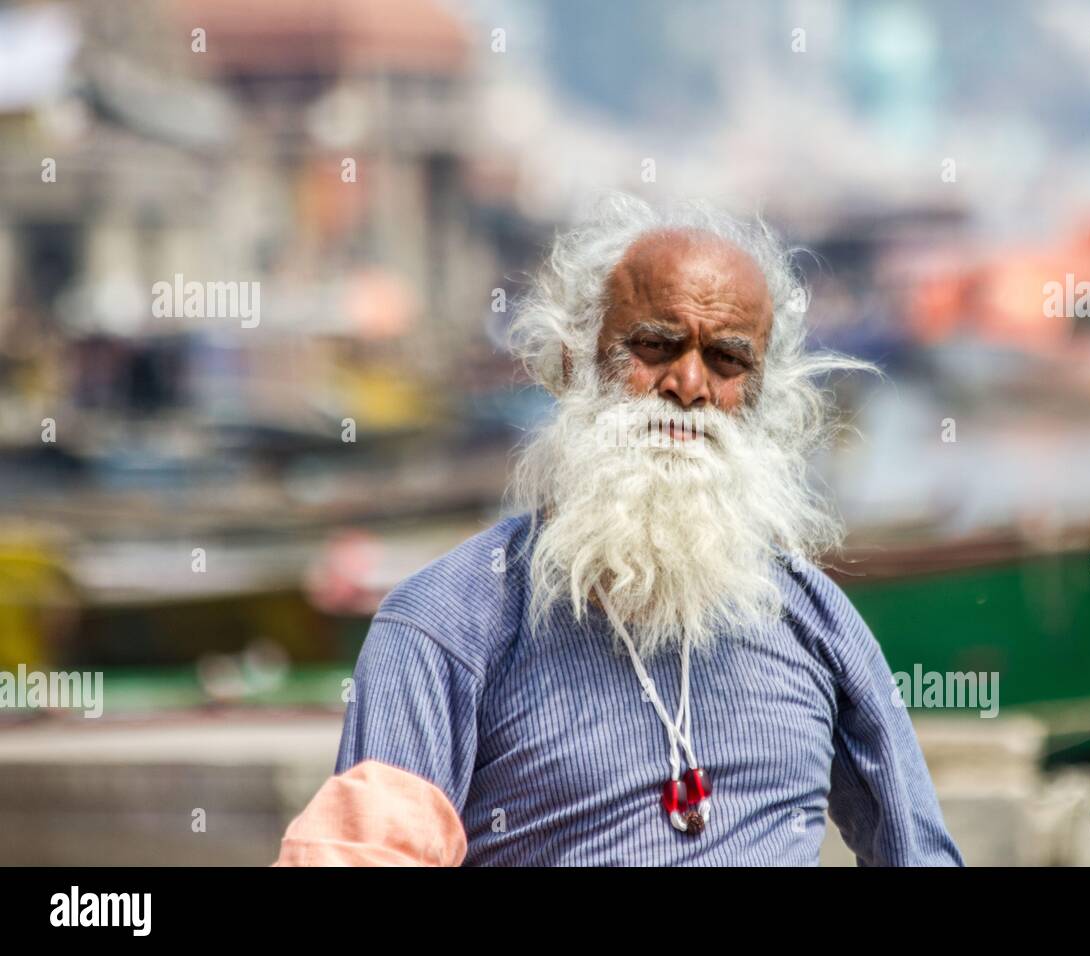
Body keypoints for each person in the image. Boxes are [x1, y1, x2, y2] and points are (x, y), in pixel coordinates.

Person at [274, 193, 964, 866]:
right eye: (656, 346)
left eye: (727, 360)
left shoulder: (814, 621)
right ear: (574, 366)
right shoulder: (446, 624)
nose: (689, 384)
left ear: (758, 398)